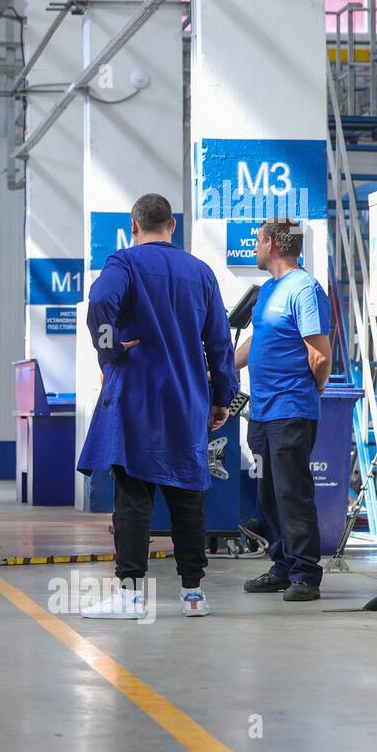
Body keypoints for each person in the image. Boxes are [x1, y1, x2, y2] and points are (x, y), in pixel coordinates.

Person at [78, 194, 238, 620]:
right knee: (188, 498)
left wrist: (110, 350)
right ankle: (193, 595)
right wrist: (222, 397)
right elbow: (219, 342)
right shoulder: (200, 272)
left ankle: (131, 596)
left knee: (133, 498)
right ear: (172, 225)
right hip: (186, 402)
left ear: (134, 225)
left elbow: (100, 303)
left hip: (136, 401)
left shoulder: (124, 263)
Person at [236, 217, 332, 602]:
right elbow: (257, 341)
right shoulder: (269, 290)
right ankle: (282, 566)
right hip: (262, 412)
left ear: (273, 244)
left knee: (292, 494)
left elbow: (320, 354)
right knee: (269, 495)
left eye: (258, 241)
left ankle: (305, 574)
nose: (255, 247)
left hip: (291, 409)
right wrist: (219, 368)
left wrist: (313, 390)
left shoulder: (304, 289)